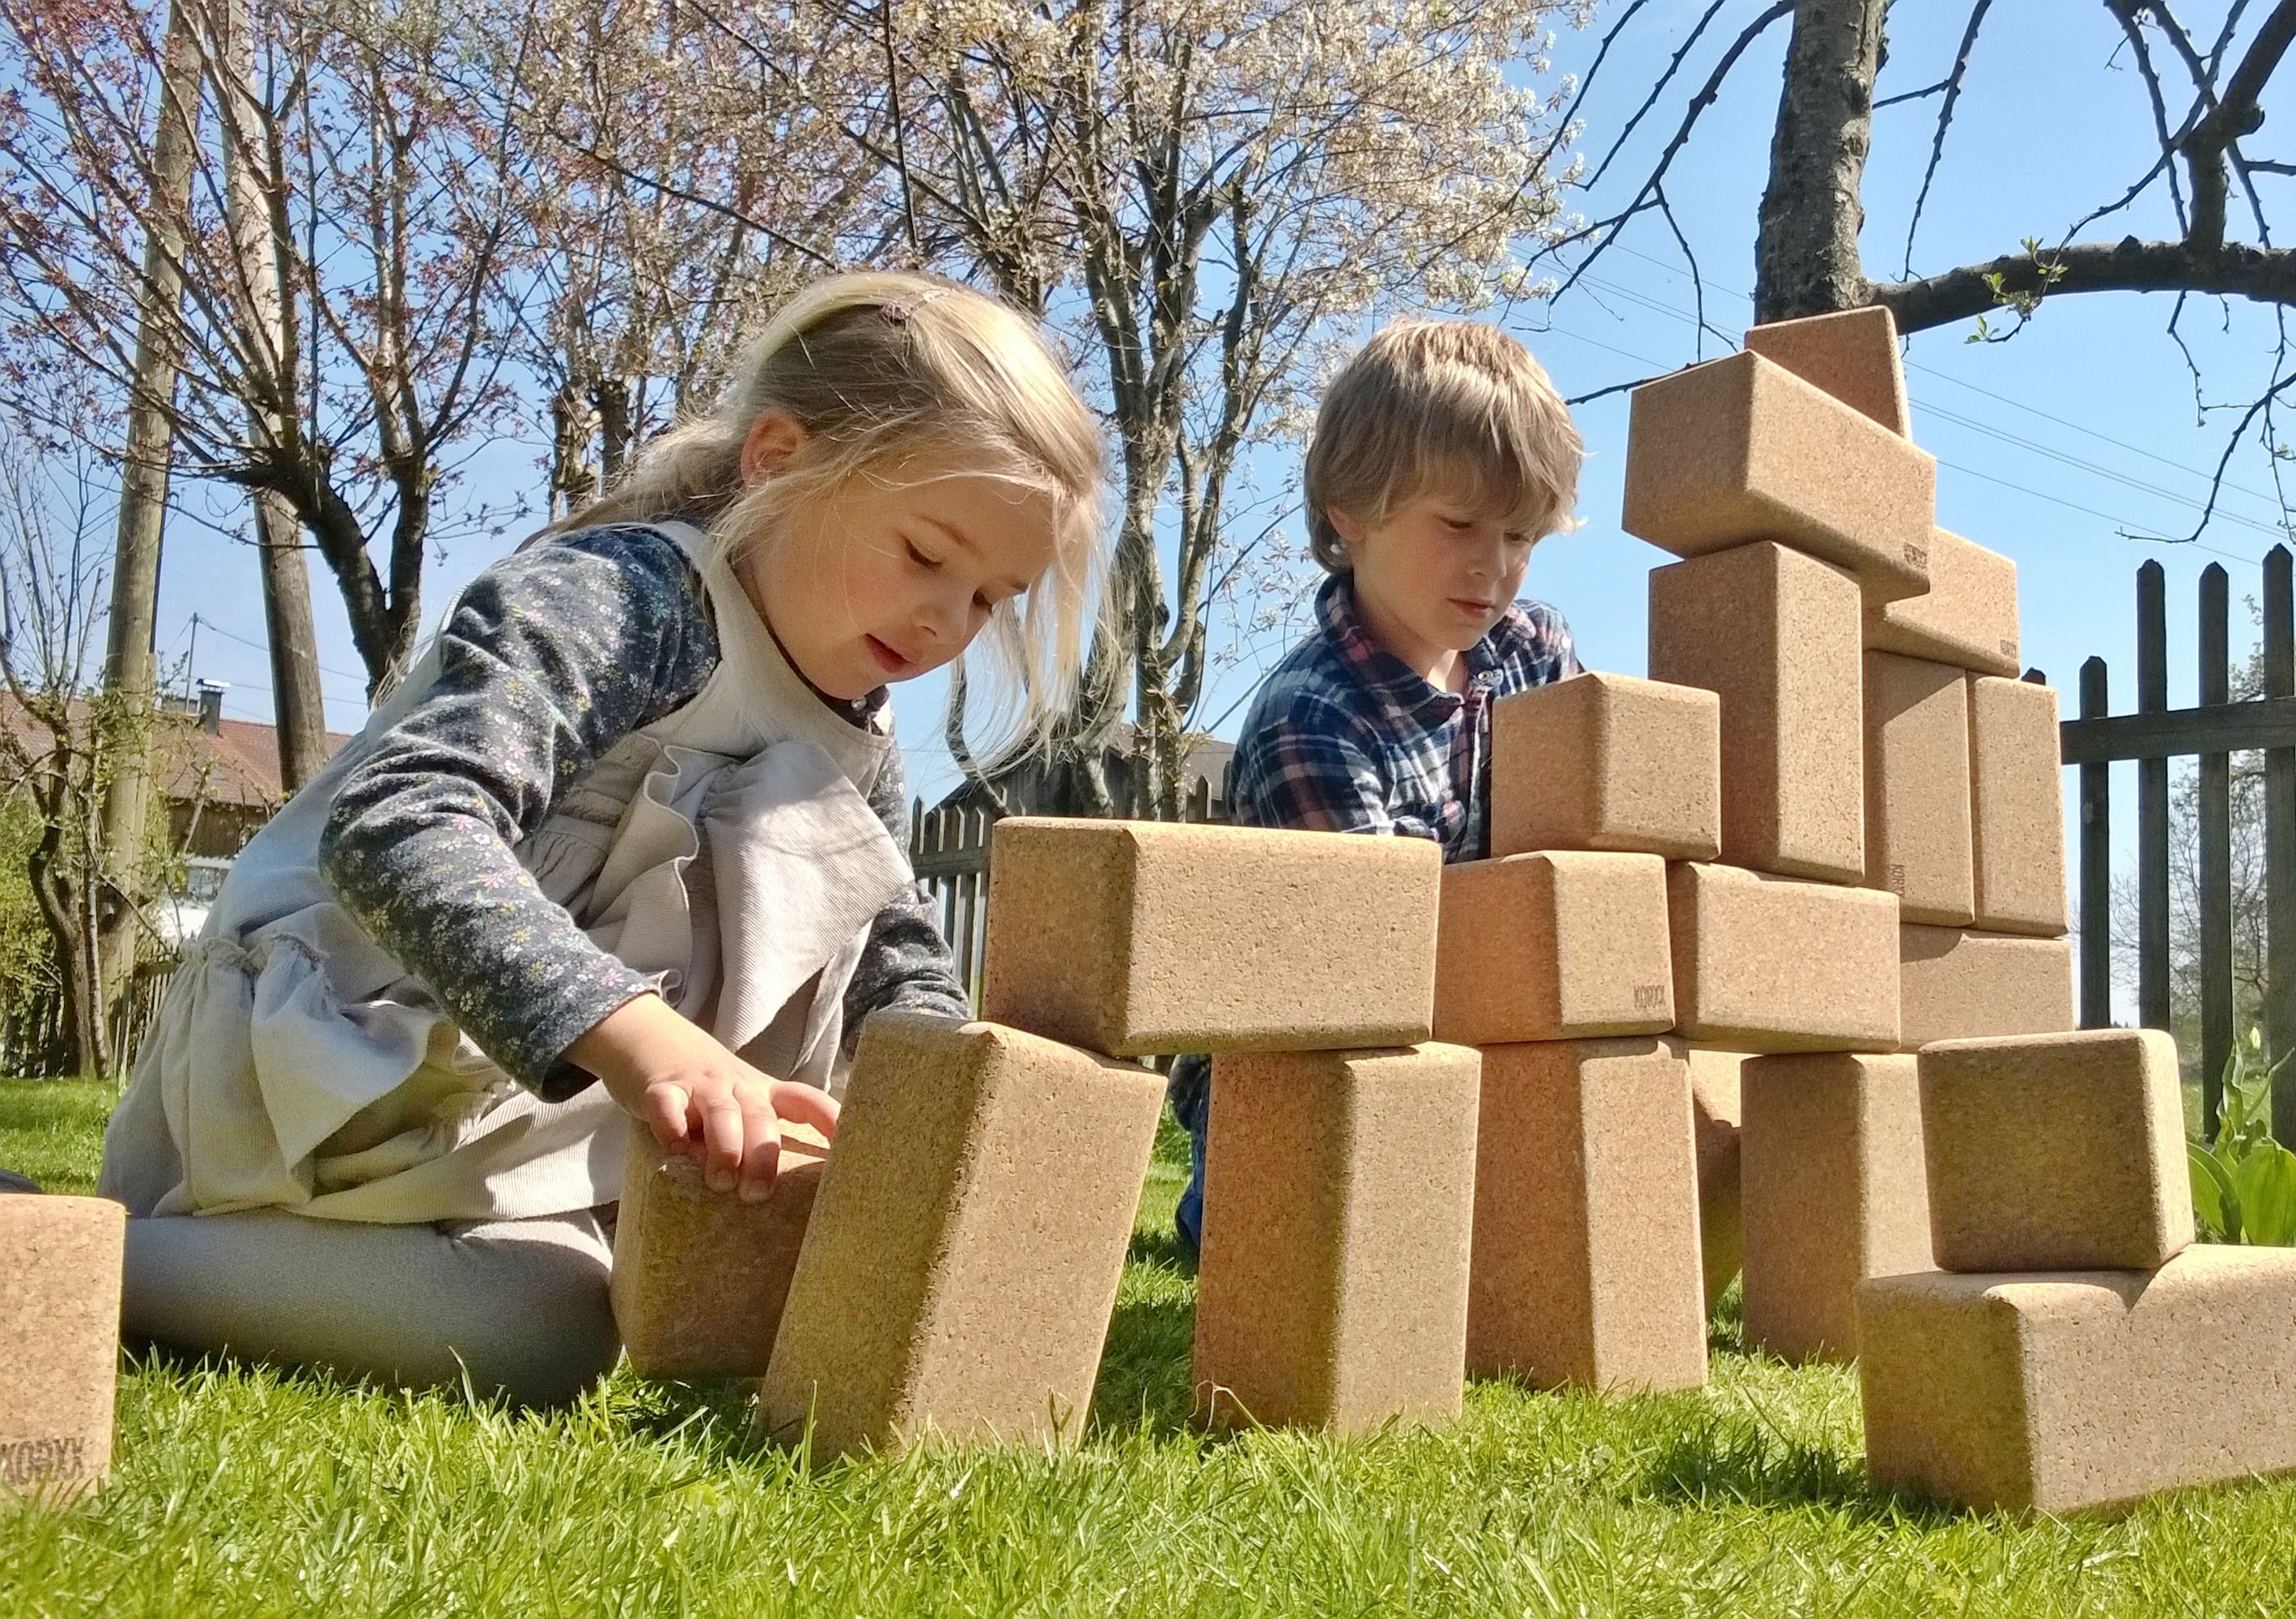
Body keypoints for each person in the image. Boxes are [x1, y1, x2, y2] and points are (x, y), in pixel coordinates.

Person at [90, 270, 1106, 1406]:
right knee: (545, 1334)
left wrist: (942, 1117)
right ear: (779, 457)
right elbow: (402, 824)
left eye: (989, 599)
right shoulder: (622, 599)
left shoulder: (859, 722)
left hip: (543, 1119)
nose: (945, 624)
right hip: (345, 1065)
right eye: (926, 555)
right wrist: (655, 1047)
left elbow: (894, 947)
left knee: (634, 1302)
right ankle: (69, 1254)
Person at [1170, 320, 1585, 1254]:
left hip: (1491, 1037)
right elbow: (1366, 970)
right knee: (1351, 1241)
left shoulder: (1533, 650)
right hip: (1310, 1068)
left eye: (1521, 534)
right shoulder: (1310, 721)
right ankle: (1229, 1207)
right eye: (1458, 525)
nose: (1494, 566)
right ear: (1351, 511)